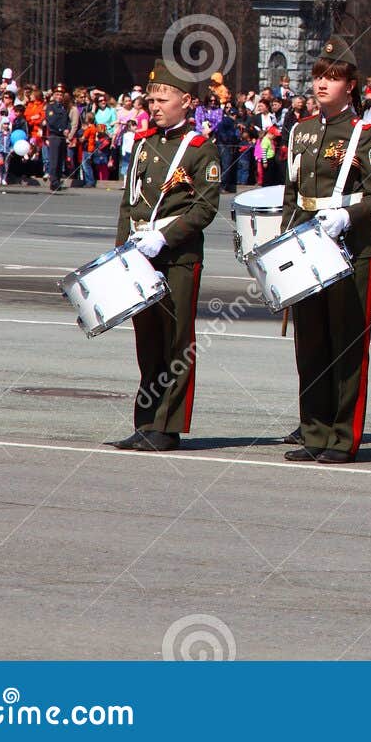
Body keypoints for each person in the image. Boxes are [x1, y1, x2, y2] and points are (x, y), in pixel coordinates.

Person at [280, 38, 371, 463]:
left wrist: (347, 217)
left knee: (346, 346)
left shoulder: (367, 135)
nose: (322, 84)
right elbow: (293, 195)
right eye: (318, 76)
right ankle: (314, 431)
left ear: (351, 85)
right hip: (307, 249)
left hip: (350, 252)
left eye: (333, 77)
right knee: (309, 346)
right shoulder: (301, 132)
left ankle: (343, 437)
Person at [107, 63, 222, 453]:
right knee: (148, 342)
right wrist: (122, 251)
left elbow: (205, 208)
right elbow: (129, 204)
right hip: (140, 255)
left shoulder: (200, 149)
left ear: (186, 101)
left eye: (163, 99)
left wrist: (165, 238)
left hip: (177, 258)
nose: (154, 106)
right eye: (151, 99)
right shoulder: (143, 144)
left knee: (175, 341)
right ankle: (145, 422)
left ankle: (168, 426)